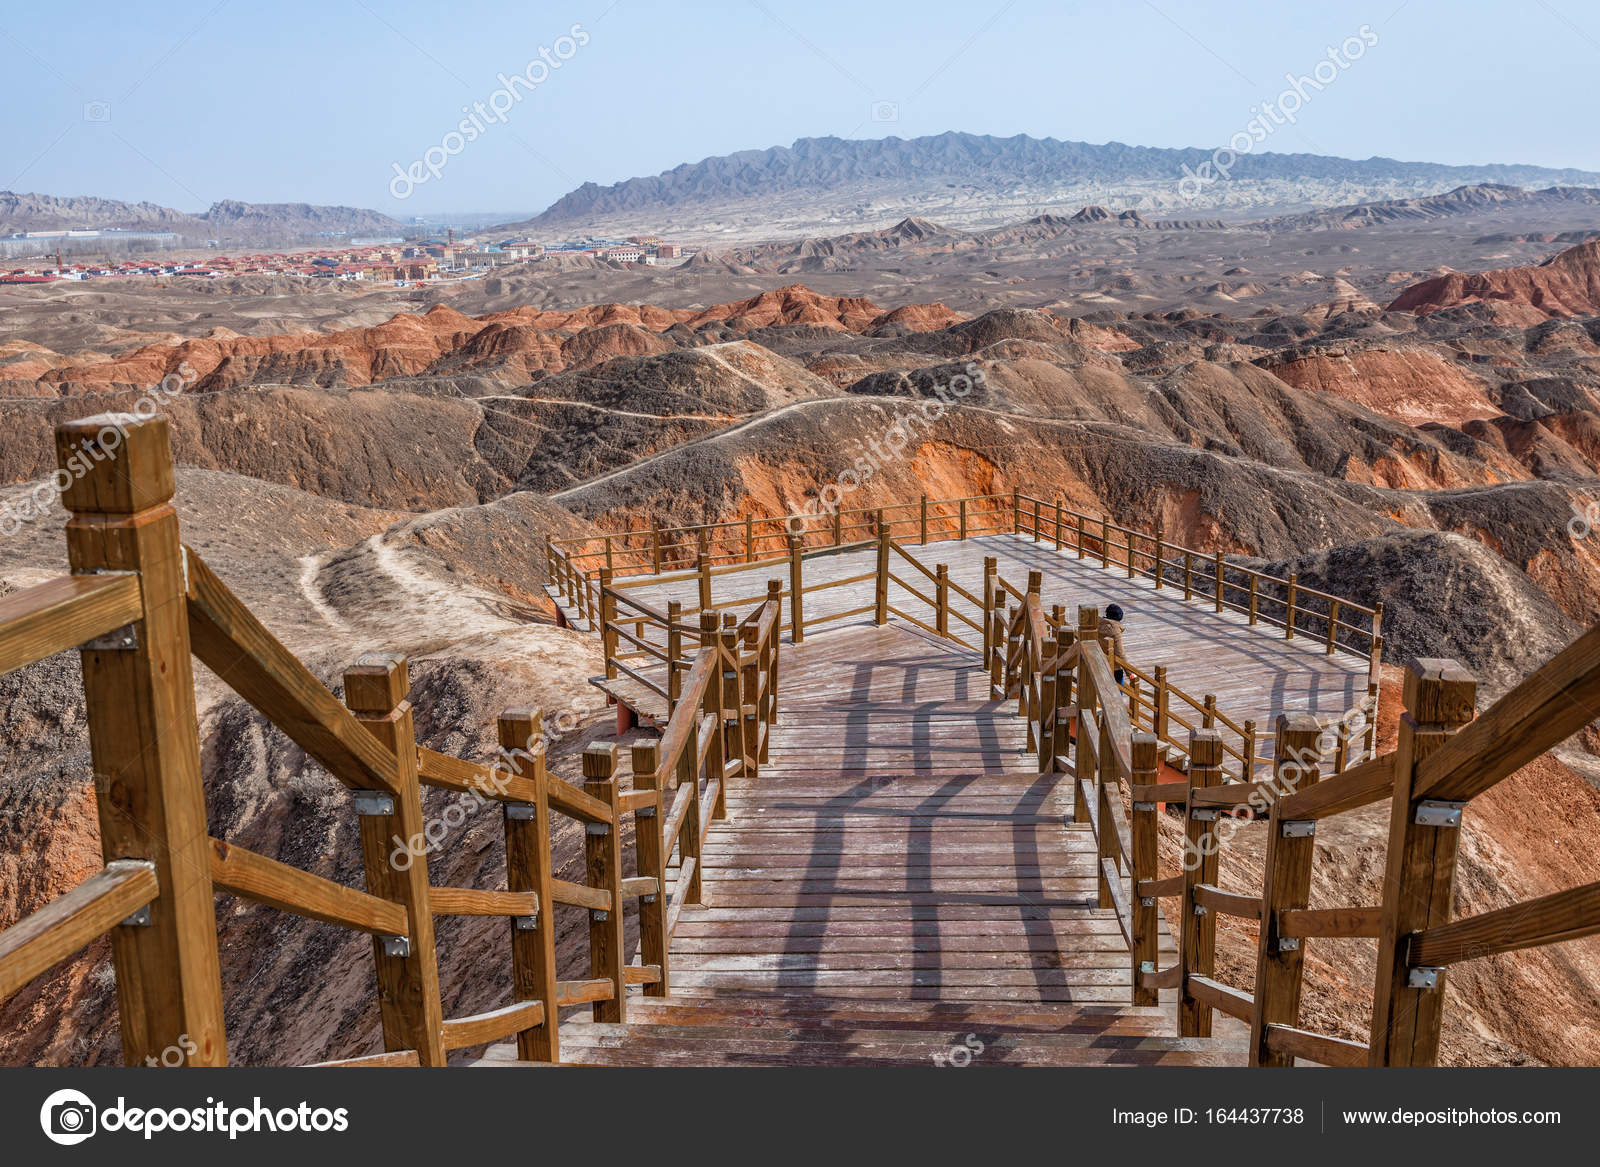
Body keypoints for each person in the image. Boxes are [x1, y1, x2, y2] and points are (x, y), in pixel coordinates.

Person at [1099, 603, 1127, 685]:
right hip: (1113, 665)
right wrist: (1129, 673)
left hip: (1098, 661)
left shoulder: (1097, 623)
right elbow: (1120, 653)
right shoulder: (1115, 631)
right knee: (1118, 684)